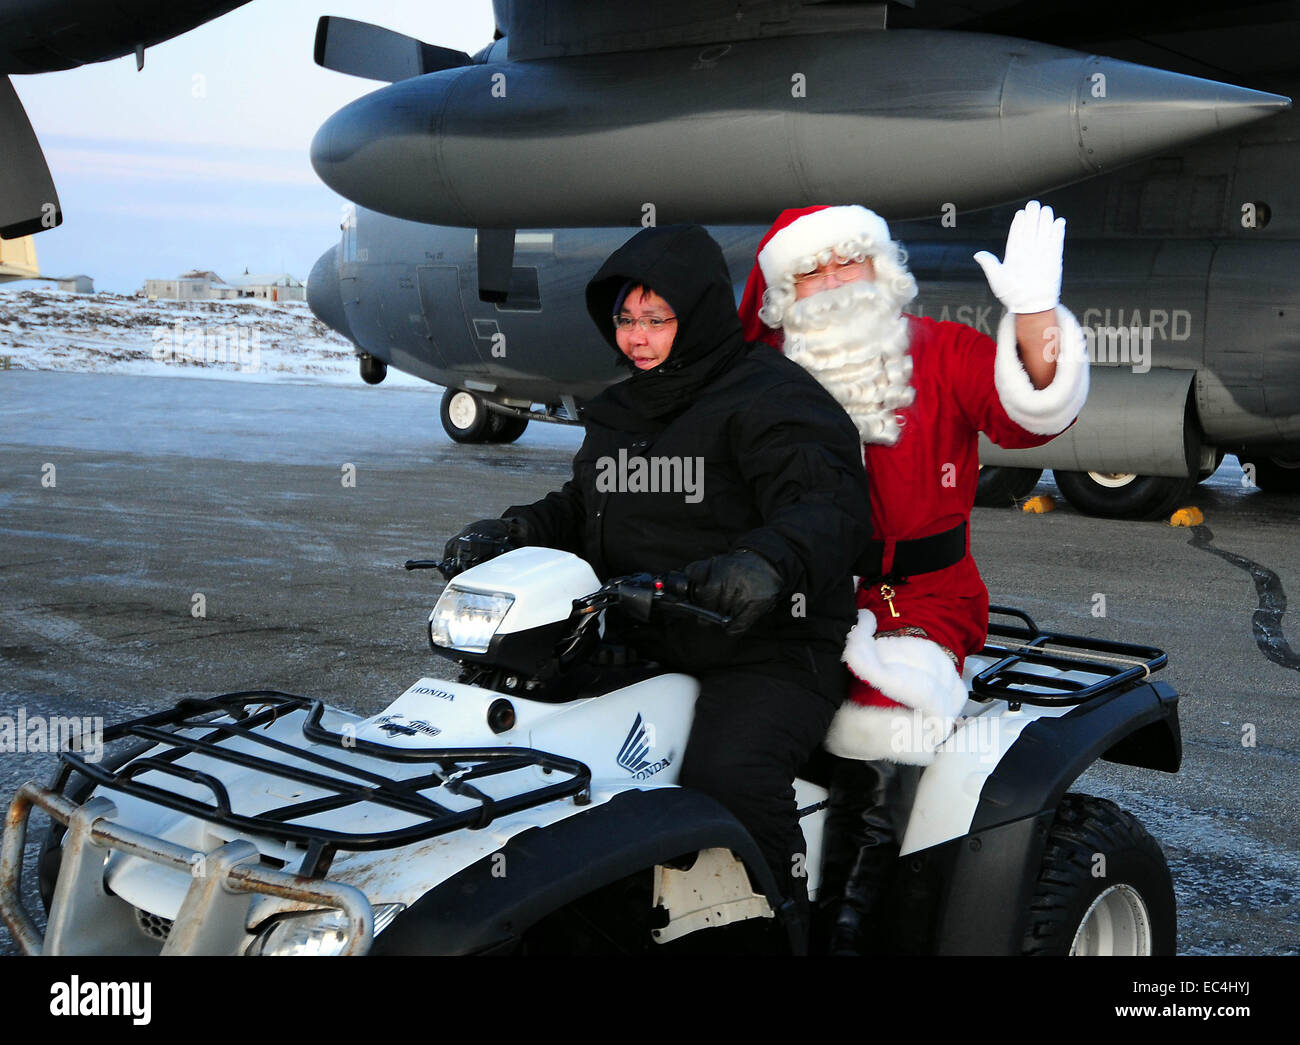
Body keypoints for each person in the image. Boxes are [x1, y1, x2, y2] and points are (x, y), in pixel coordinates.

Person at [445, 224, 873, 946]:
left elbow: (828, 506)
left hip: (767, 642)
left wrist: (762, 566)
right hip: (643, 623)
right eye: (625, 320)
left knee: (729, 774)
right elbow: (586, 505)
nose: (637, 338)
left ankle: (786, 920)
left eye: (656, 319)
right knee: (530, 745)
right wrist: (514, 530)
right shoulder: (622, 405)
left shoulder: (773, 396)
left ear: (700, 314)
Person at [736, 200, 1090, 952]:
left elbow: (1028, 414)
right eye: (811, 269)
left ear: (880, 266)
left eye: (848, 260)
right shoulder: (760, 376)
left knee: (880, 734)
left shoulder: (939, 351)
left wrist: (1034, 315)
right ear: (783, 293)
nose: (833, 282)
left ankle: (852, 928)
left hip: (920, 602)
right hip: (795, 599)